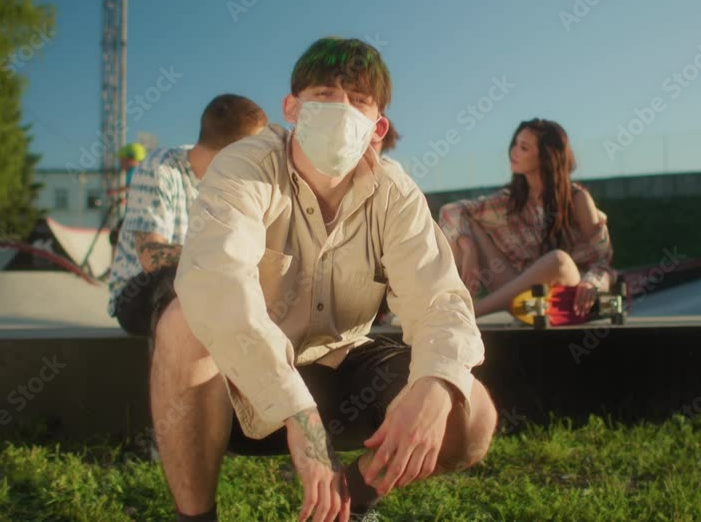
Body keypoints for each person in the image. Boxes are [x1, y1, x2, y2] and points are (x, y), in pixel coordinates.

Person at [153, 37, 497, 522]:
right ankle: (195, 517)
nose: (341, 110)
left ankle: (353, 501)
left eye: (358, 100)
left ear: (377, 126)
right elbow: (218, 285)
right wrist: (299, 414)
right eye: (323, 96)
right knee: (183, 321)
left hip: (342, 368)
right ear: (291, 107)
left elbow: (440, 298)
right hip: (241, 386)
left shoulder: (394, 193)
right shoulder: (245, 167)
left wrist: (436, 387)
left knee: (473, 413)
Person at [107, 94, 267, 336]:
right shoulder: (161, 168)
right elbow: (151, 256)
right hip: (140, 293)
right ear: (232, 153)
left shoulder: (233, 185)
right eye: (252, 153)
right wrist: (226, 254)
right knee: (178, 281)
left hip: (203, 286)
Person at [438, 118, 615, 320]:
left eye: (523, 147)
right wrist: (469, 249)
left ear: (546, 156)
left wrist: (592, 283)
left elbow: (603, 261)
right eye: (515, 144)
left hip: (565, 297)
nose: (513, 151)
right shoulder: (512, 199)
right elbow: (451, 211)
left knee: (558, 261)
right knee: (463, 226)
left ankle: (467, 313)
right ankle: (445, 302)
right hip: (519, 296)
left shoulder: (577, 199)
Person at [107, 142, 147, 249]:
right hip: (137, 215)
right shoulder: (142, 171)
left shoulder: (135, 171)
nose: (120, 163)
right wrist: (125, 200)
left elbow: (132, 186)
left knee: (115, 236)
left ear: (130, 159)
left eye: (122, 160)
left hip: (134, 216)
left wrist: (114, 191)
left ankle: (114, 264)